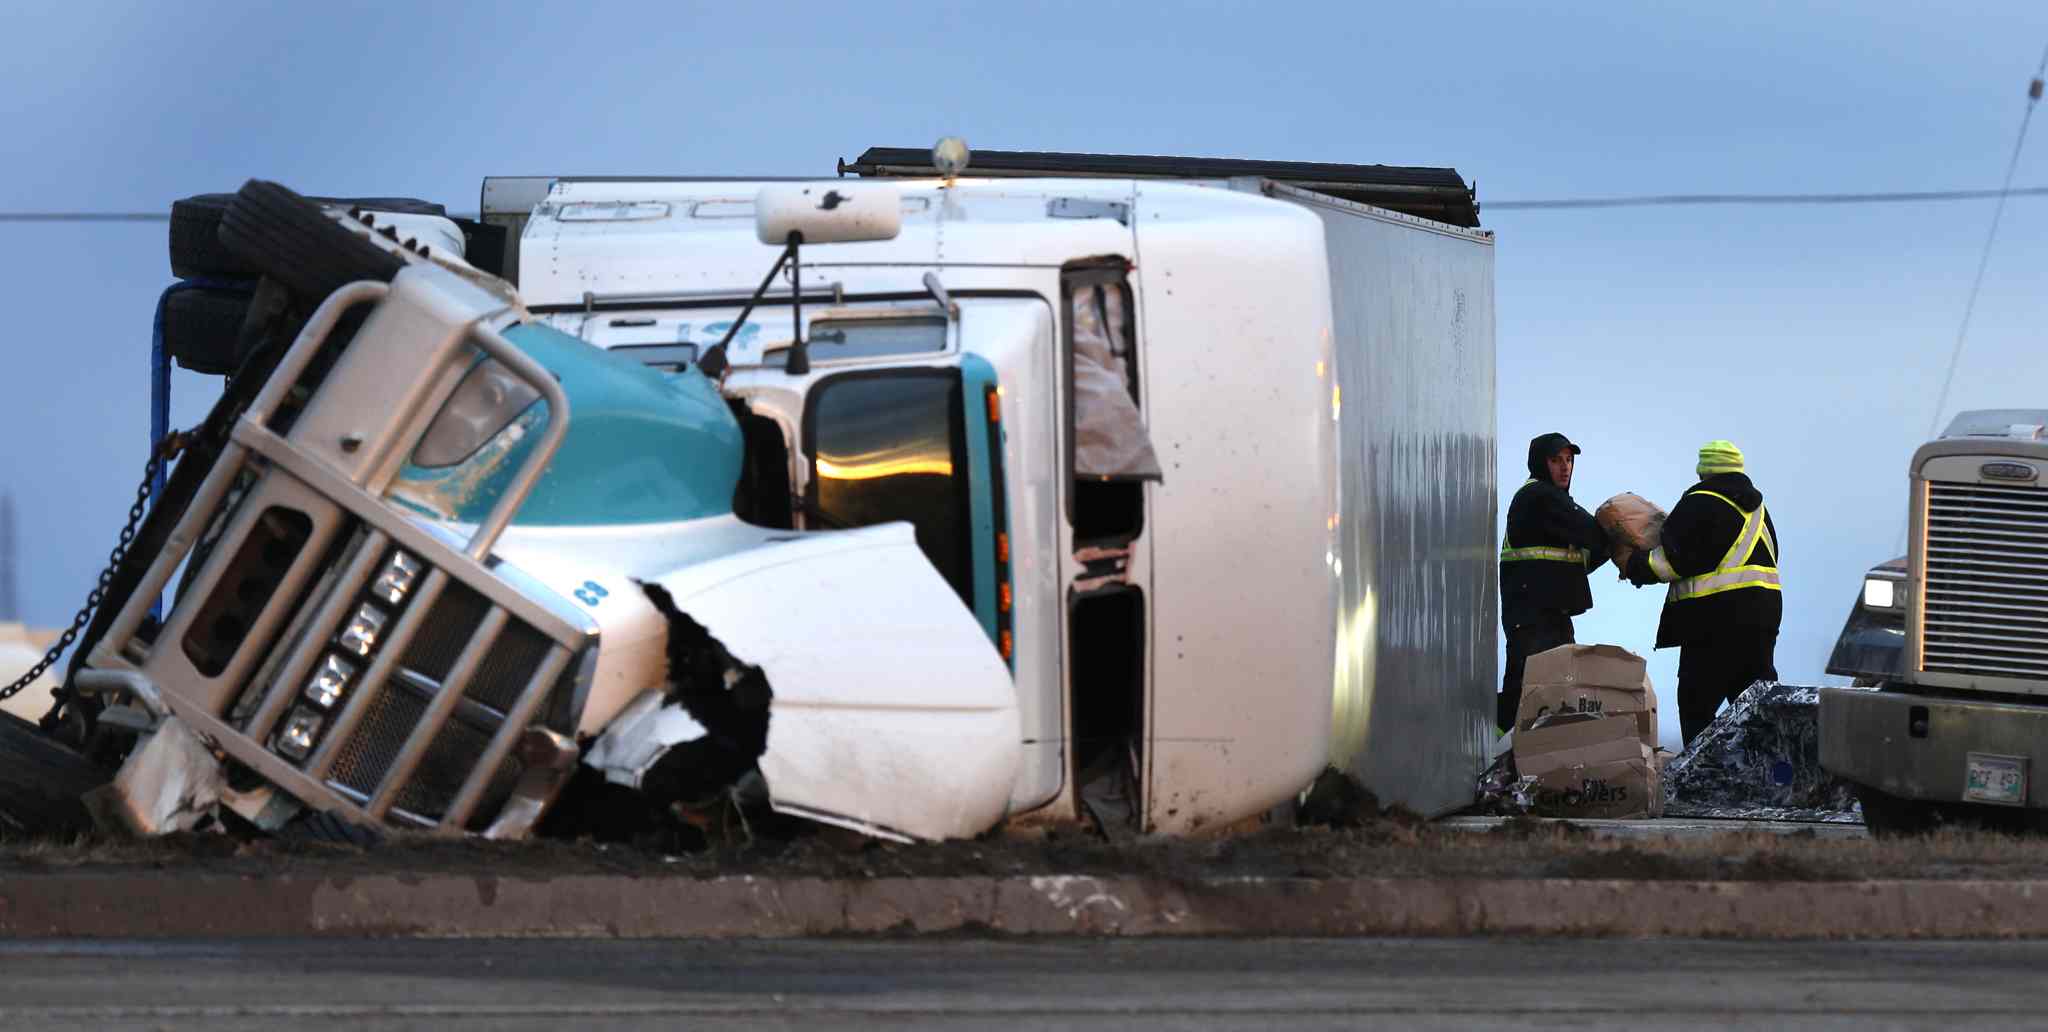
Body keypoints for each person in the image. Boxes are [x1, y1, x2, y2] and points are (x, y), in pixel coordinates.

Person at [1624, 440, 1781, 746]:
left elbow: (1671, 562)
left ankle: (1699, 783)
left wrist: (1634, 565)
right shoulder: (1759, 510)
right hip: (1762, 621)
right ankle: (1768, 779)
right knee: (1756, 709)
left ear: (1703, 470)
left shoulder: (1699, 500)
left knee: (1697, 708)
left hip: (1712, 623)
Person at [1497, 432, 1609, 732]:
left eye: (1569, 460)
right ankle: (1497, 755)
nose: (1565, 467)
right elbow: (1594, 533)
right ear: (1539, 463)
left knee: (1552, 690)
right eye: (1556, 460)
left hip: (1546, 612)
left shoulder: (1550, 501)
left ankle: (1530, 756)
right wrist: (1617, 533)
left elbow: (1584, 552)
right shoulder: (1541, 496)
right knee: (1525, 690)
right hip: (1532, 616)